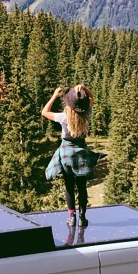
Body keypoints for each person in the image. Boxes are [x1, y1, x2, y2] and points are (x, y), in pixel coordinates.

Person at [42, 83, 99, 226]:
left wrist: (54, 96)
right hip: (81, 155)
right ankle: (82, 218)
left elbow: (45, 111)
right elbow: (92, 98)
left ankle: (72, 217)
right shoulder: (86, 114)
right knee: (81, 186)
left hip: (66, 155)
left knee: (69, 186)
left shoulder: (63, 117)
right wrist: (84, 89)